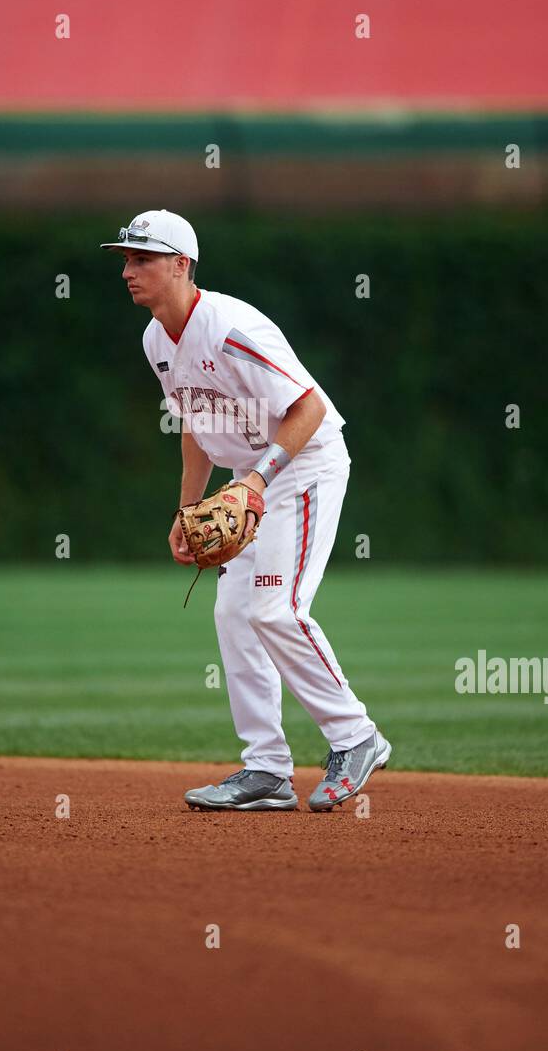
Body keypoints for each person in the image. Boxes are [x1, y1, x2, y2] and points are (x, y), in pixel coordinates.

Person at [101, 209, 392, 811]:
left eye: (142, 259)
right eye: (126, 259)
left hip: (302, 466)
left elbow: (308, 407)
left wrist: (257, 481)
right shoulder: (157, 337)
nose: (129, 270)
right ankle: (266, 769)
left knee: (276, 608)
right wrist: (188, 506)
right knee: (235, 615)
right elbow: (195, 423)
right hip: (247, 482)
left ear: (181, 264)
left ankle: (356, 736)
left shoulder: (230, 328)